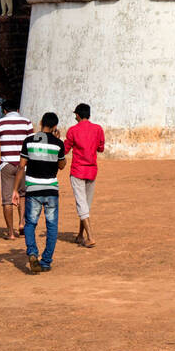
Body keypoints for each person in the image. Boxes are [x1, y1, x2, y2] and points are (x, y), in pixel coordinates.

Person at [12, 113, 65, 273]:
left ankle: (33, 252)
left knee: (30, 223)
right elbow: (62, 165)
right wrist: (58, 143)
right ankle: (46, 261)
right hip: (51, 189)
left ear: (41, 123)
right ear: (55, 126)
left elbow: (21, 166)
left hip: (33, 189)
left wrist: (15, 189)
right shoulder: (58, 144)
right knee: (51, 226)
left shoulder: (29, 141)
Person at [0, 100, 34, 239]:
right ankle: (21, 223)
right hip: (23, 164)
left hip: (7, 163)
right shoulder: (27, 122)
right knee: (23, 194)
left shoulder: (0, 123)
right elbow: (31, 143)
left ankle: (11, 232)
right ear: (18, 110)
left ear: (4, 111)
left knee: (7, 199)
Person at [64, 102, 105, 247]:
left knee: (82, 204)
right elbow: (101, 148)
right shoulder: (98, 129)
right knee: (85, 205)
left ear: (78, 115)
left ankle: (90, 236)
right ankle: (80, 235)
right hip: (91, 170)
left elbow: (65, 149)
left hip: (78, 170)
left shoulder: (73, 130)